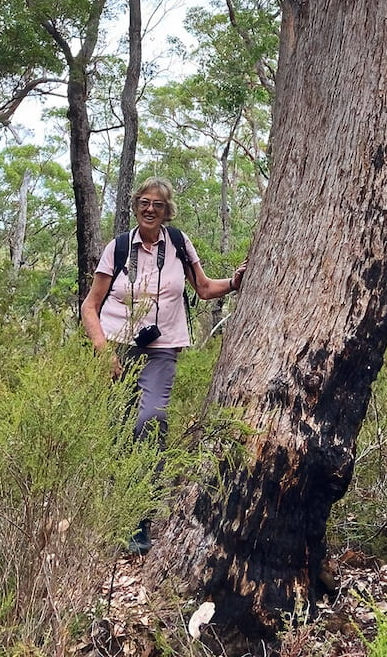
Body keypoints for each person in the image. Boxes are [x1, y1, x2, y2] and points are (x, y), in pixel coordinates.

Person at [80, 176, 247, 554]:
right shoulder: (118, 247)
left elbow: (204, 289)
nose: (150, 208)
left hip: (162, 348)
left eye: (157, 203)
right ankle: (121, 516)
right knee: (121, 433)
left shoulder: (177, 244)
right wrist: (103, 350)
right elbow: (90, 306)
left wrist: (235, 283)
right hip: (118, 349)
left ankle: (142, 522)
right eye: (143, 201)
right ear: (136, 206)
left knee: (150, 421)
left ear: (167, 209)